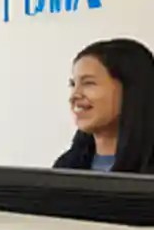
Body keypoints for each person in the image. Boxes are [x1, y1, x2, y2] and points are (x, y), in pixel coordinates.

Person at [53, 38, 154, 173]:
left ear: (130, 90)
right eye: (73, 84)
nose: (74, 96)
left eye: (89, 83)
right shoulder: (66, 166)